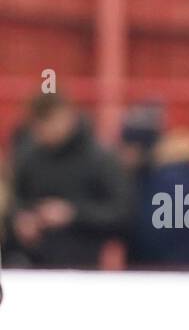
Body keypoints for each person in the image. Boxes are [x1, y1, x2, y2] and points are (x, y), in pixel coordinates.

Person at [7, 94, 131, 269]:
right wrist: (21, 219)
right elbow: (16, 200)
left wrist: (73, 214)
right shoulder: (29, 157)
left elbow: (120, 213)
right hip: (32, 264)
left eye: (52, 121)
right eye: (41, 125)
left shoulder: (100, 159)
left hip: (84, 266)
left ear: (69, 116)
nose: (48, 130)